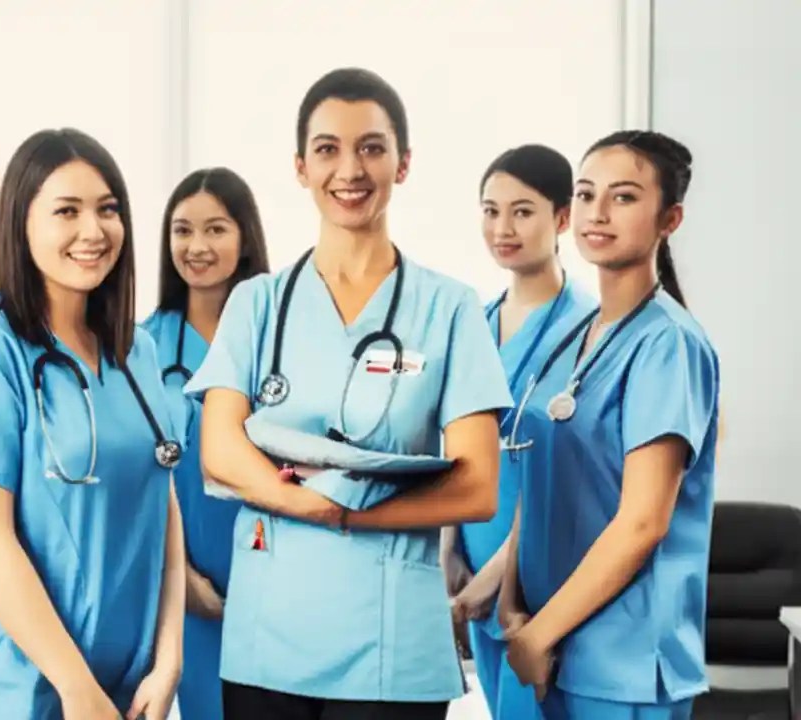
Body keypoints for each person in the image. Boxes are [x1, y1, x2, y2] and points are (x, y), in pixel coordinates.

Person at [187, 67, 511, 720]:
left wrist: (347, 516)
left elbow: (478, 489)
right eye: (329, 149)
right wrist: (314, 508)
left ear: (404, 162)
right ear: (301, 166)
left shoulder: (449, 308)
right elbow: (219, 451)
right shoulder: (258, 303)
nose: (350, 169)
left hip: (390, 642)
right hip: (266, 638)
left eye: (372, 147)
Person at [0, 128, 186, 720]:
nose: (93, 232)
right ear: (21, 224)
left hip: (133, 684)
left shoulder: (137, 352)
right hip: (24, 688)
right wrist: (76, 688)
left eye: (108, 210)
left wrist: (169, 655)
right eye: (66, 212)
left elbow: (162, 503)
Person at [500, 131, 719, 720]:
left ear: (669, 218)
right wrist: (509, 605)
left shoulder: (667, 343)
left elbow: (643, 523)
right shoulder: (575, 333)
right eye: (587, 193)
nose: (597, 212)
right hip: (547, 642)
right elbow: (535, 479)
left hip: (622, 661)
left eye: (623, 197)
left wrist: (537, 634)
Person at [440, 144, 594, 720]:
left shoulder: (588, 327)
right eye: (490, 210)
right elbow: (456, 444)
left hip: (542, 577)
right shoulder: (475, 324)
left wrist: (497, 574)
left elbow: (568, 470)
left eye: (522, 211)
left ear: (561, 219)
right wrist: (450, 549)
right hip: (472, 571)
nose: (502, 228)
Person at [140, 166, 271, 720]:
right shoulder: (140, 345)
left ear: (244, 238)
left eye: (216, 229)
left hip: (275, 583)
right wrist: (183, 581)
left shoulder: (276, 336)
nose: (197, 246)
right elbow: (135, 480)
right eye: (182, 230)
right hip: (185, 589)